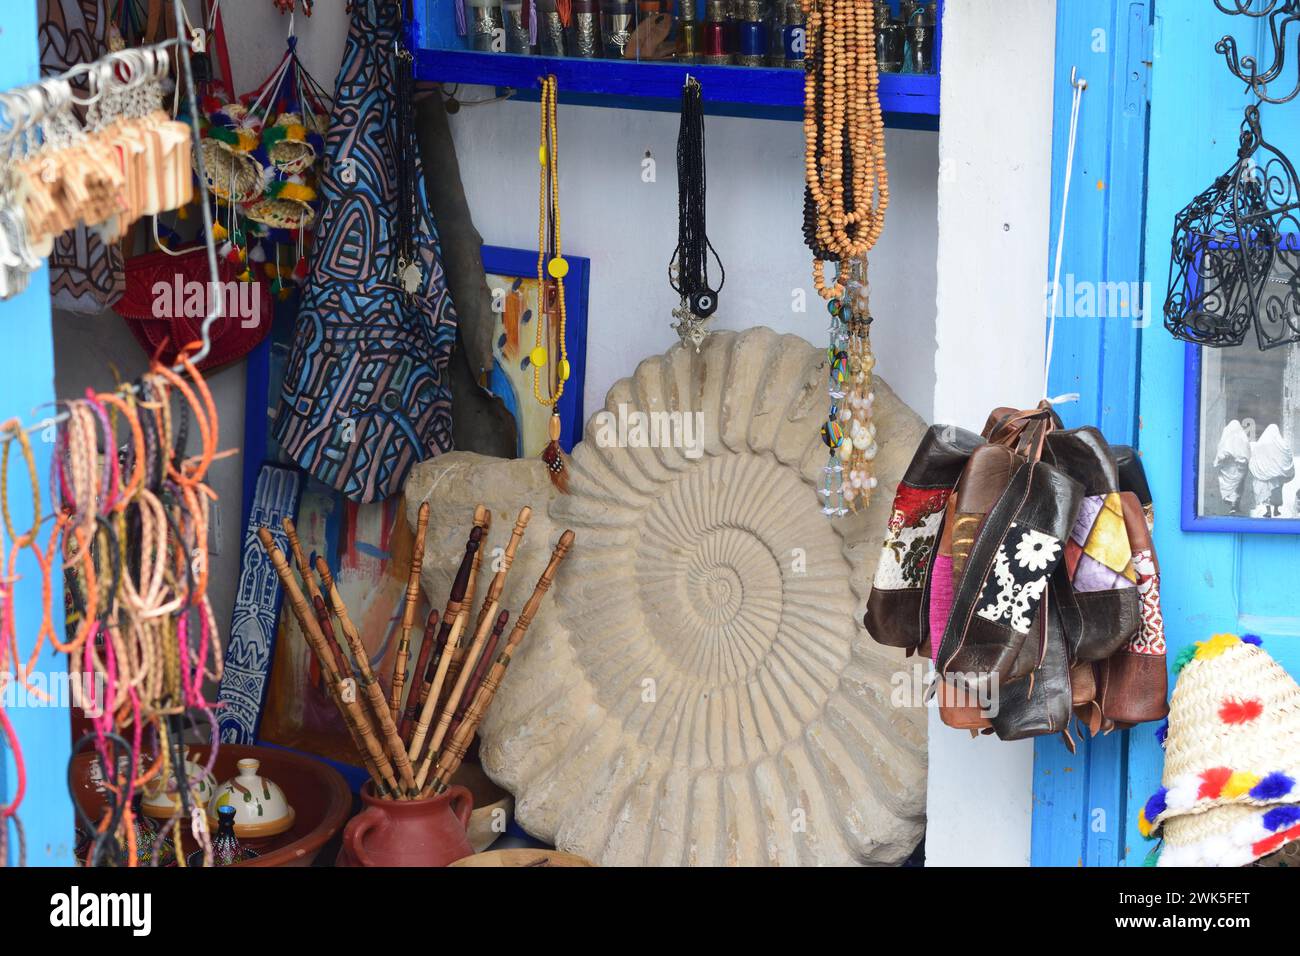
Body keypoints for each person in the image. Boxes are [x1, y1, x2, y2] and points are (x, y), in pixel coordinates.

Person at [1248, 423, 1295, 518]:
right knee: (1276, 491)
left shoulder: (1261, 443)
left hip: (1264, 473)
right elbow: (1287, 453)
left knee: (1266, 491)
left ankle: (1268, 511)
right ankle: (1276, 510)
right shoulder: (1281, 444)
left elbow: (1255, 456)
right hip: (1276, 474)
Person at [1213, 419, 1250, 514]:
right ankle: (1235, 505)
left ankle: (1233, 506)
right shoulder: (1243, 438)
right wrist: (1241, 460)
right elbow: (1246, 453)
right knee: (1238, 487)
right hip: (1239, 467)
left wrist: (1220, 459)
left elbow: (1222, 452)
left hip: (1229, 467)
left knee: (1231, 486)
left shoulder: (1226, 438)